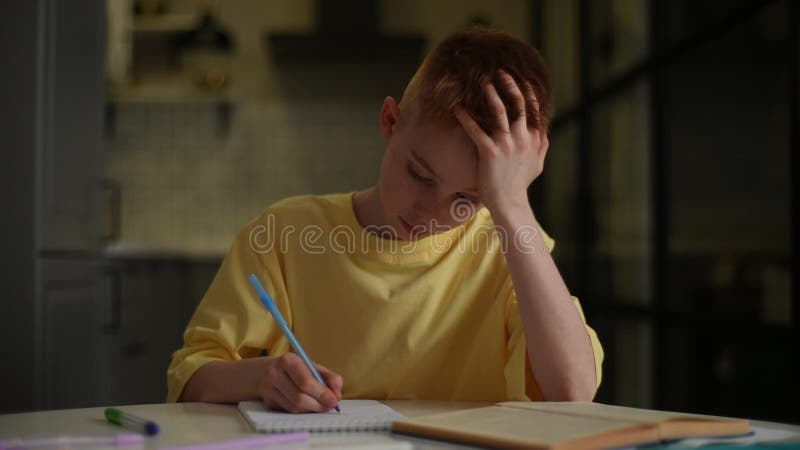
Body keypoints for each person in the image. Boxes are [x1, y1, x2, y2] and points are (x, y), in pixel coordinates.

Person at [167, 26, 603, 413]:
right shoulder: (284, 234)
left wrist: (510, 205)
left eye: (469, 199)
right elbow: (190, 380)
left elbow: (572, 392)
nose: (429, 212)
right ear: (389, 120)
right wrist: (260, 378)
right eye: (419, 174)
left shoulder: (510, 246)